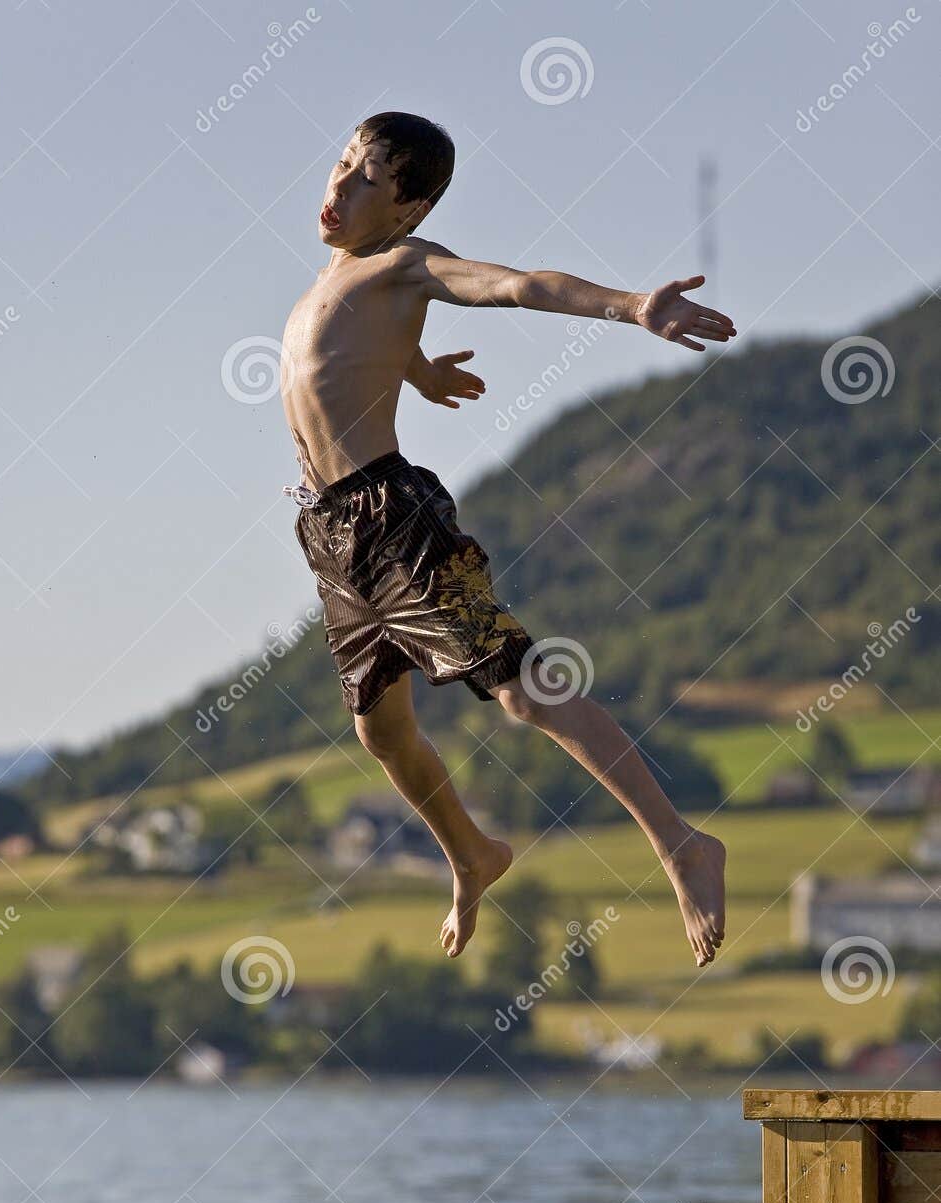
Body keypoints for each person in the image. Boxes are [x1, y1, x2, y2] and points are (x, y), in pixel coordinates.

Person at [281, 112, 733, 965]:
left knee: (522, 690)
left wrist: (632, 306)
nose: (338, 188)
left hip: (393, 521)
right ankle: (473, 855)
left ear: (408, 209)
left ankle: (680, 844)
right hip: (330, 534)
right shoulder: (343, 276)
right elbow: (339, 353)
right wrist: (415, 369)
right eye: (341, 164)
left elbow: (521, 284)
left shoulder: (408, 264)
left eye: (367, 180)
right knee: (379, 731)